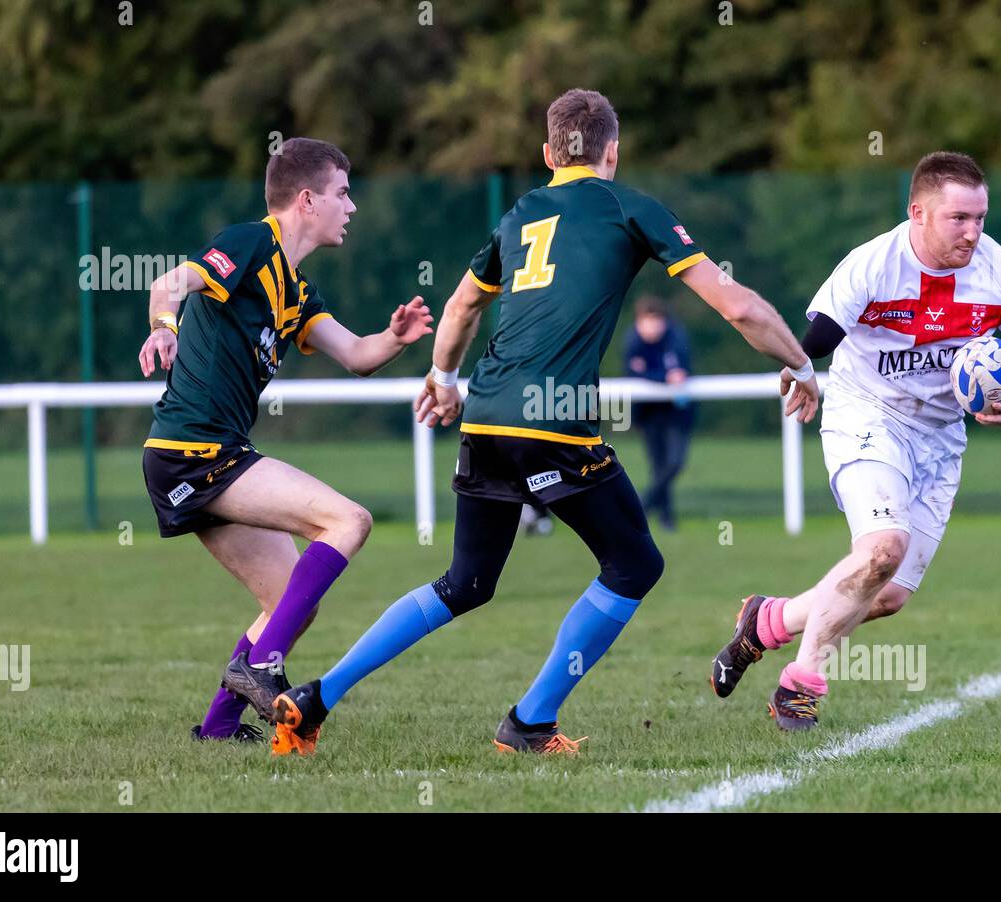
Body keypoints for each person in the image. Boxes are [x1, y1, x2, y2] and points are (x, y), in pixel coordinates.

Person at [268, 88, 818, 756]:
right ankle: (529, 722)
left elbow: (464, 305)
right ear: (612, 151)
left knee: (464, 583)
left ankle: (315, 697)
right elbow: (737, 307)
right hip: (550, 421)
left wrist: (443, 380)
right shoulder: (628, 207)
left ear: (548, 153)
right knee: (634, 562)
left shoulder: (520, 213)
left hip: (487, 416)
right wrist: (801, 362)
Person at [710, 151, 1001, 730]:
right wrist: (799, 366)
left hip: (940, 438)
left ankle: (766, 622)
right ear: (917, 212)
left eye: (980, 218)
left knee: (888, 594)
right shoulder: (874, 264)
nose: (973, 232)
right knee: (882, 549)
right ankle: (801, 684)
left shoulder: (998, 272)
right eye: (959, 219)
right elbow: (816, 337)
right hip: (866, 415)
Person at [136, 137, 432, 740]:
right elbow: (167, 285)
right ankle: (258, 666)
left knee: (292, 602)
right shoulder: (249, 244)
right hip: (195, 452)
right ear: (306, 200)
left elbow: (355, 354)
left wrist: (395, 338)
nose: (351, 207)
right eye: (342, 194)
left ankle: (217, 728)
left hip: (208, 457)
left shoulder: (297, 290)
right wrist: (165, 328)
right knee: (349, 521)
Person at [624, 294, 695, 530]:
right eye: (646, 321)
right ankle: (666, 518)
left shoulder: (675, 336)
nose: (652, 327)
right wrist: (664, 376)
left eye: (656, 321)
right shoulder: (632, 340)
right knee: (657, 464)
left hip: (677, 411)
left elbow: (680, 372)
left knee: (674, 463)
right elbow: (634, 373)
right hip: (649, 412)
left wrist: (657, 375)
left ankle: (644, 505)